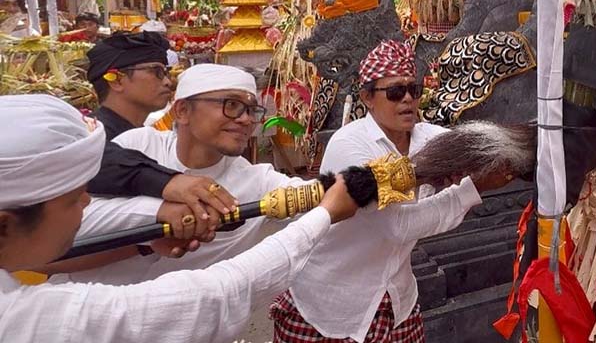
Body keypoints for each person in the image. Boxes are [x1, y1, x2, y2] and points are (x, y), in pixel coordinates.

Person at [0, 94, 359, 343]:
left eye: (251, 108)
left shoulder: (253, 175)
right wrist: (323, 217)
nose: (87, 200)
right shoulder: (20, 320)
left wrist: (142, 241)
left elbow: (74, 243)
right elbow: (209, 297)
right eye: (73, 197)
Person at [270, 39, 512, 343]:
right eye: (396, 92)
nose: (407, 99)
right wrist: (472, 189)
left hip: (397, 301)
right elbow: (398, 227)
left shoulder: (429, 139)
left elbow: (473, 147)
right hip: (331, 306)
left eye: (414, 90)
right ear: (367, 97)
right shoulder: (349, 145)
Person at [54, 63, 334, 284]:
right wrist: (159, 219)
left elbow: (325, 199)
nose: (246, 119)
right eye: (232, 105)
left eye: (252, 110)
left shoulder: (257, 180)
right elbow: (66, 232)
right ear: (183, 111)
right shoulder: (139, 145)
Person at [86, 32, 235, 237]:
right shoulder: (92, 136)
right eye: (156, 72)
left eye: (166, 72)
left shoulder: (152, 132)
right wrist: (169, 183)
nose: (167, 82)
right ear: (116, 80)